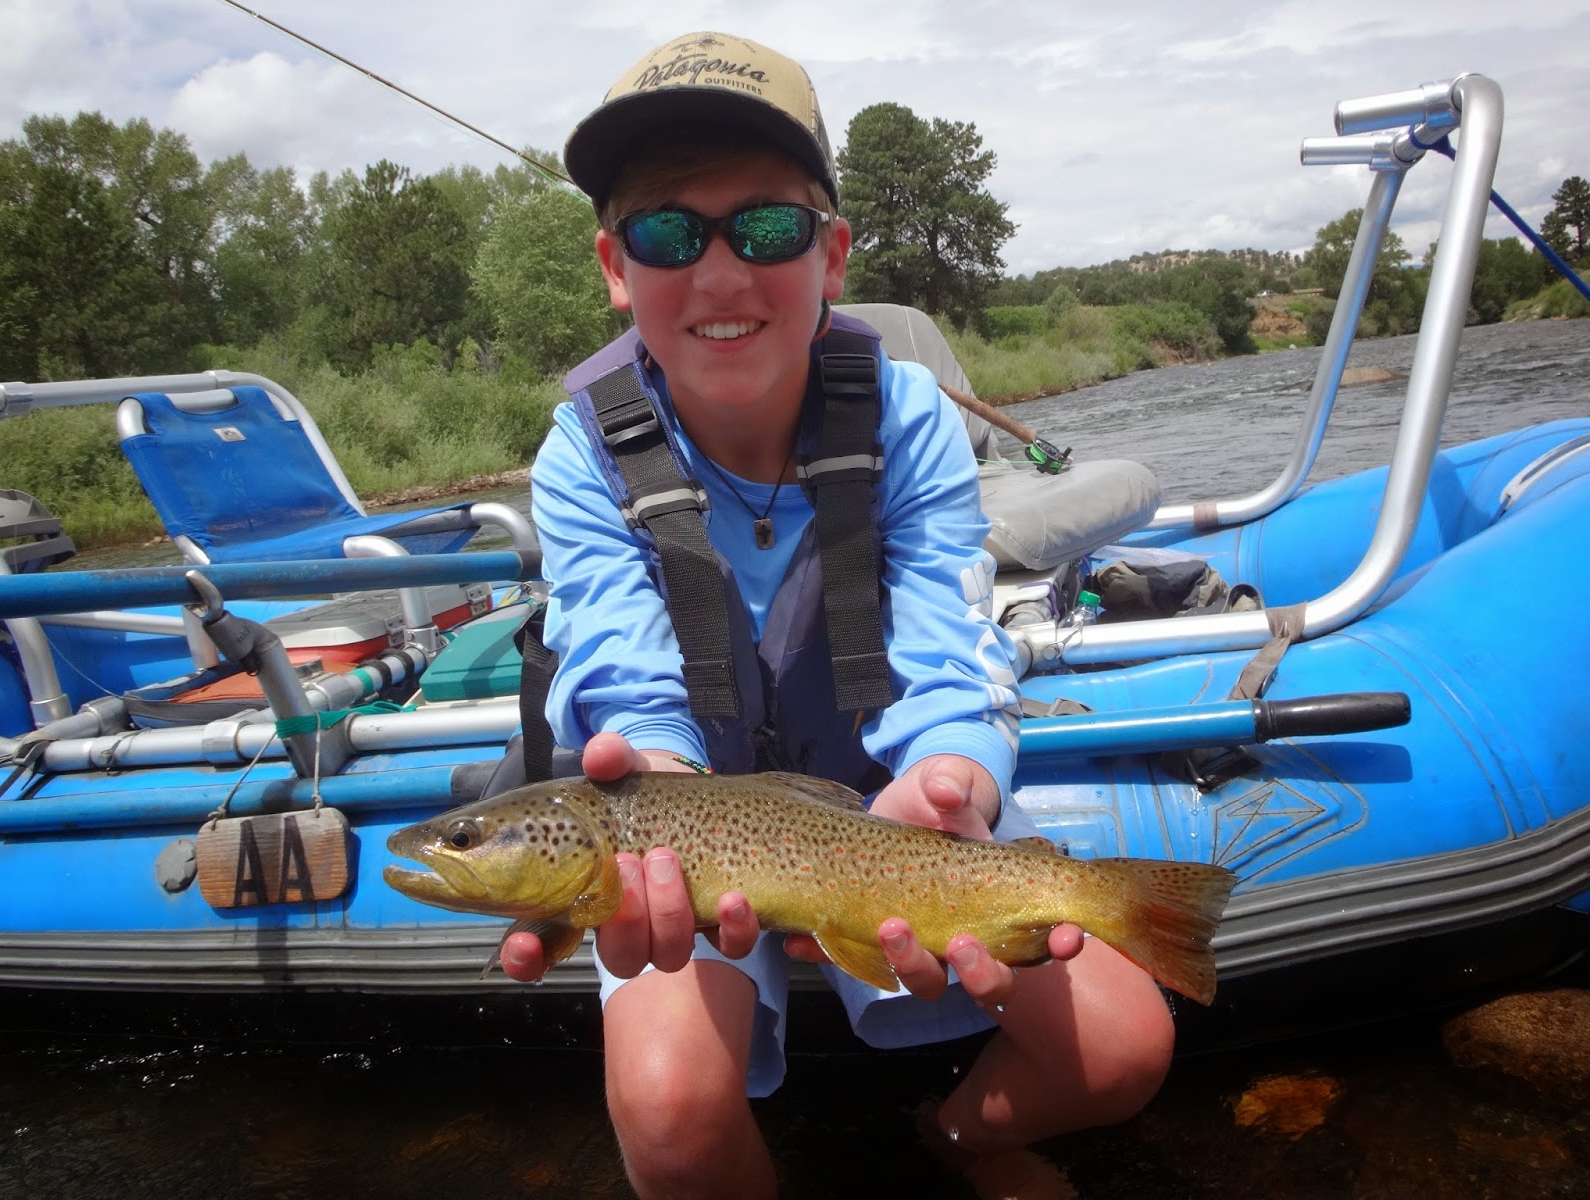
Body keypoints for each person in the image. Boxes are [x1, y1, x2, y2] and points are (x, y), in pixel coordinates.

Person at [498, 31, 1175, 1199]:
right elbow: (624, 675)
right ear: (616, 265)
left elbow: (952, 652)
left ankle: (958, 1135)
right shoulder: (578, 454)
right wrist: (653, 790)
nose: (718, 275)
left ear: (833, 254)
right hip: (686, 852)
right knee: (667, 1118)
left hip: (887, 827)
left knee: (1124, 1049)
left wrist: (953, 779)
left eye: (765, 228)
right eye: (669, 233)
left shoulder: (905, 416)